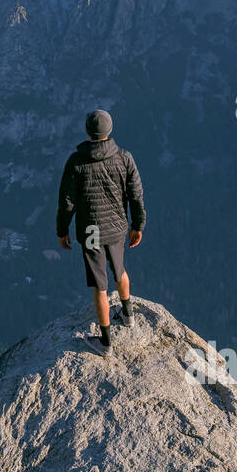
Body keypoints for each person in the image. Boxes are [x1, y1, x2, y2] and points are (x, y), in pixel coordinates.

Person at [56, 109, 146, 356]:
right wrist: (138, 225)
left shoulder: (76, 162)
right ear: (110, 130)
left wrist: (62, 230)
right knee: (120, 269)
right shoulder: (124, 157)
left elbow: (67, 202)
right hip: (117, 226)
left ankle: (105, 342)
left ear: (88, 131)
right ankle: (128, 316)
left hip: (92, 229)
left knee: (100, 285)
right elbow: (136, 195)